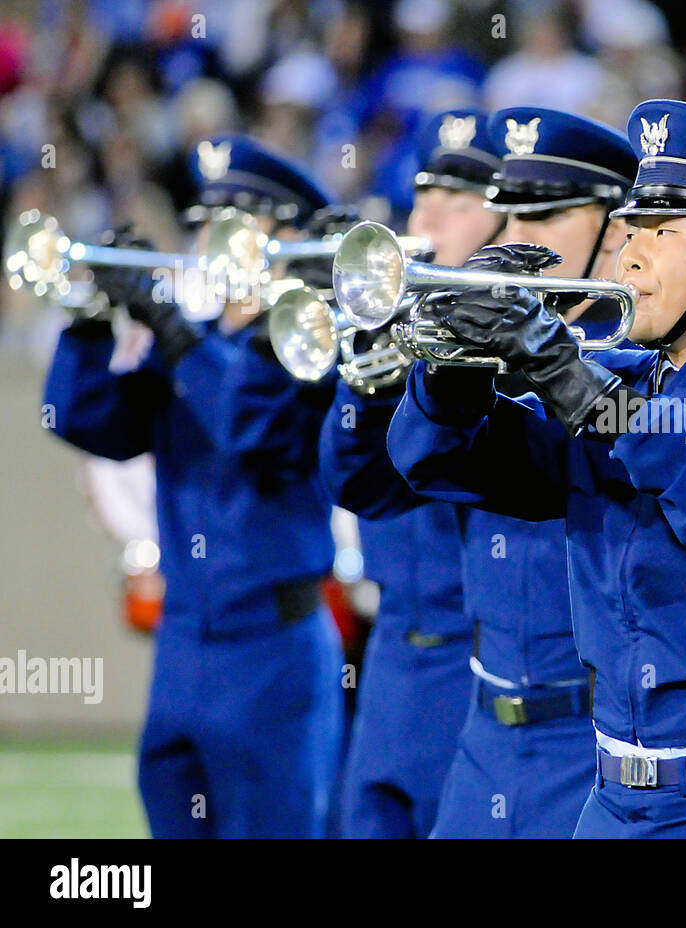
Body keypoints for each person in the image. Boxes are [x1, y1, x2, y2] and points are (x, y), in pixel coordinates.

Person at [387, 99, 686, 838]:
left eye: (662, 231)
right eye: (633, 228)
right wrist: (456, 368)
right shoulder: (614, 377)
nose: (630, 253)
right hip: (609, 798)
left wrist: (571, 379)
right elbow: (434, 460)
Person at [43, 135, 344, 838]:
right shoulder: (195, 343)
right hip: (183, 641)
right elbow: (90, 423)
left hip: (273, 645)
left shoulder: (302, 349)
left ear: (291, 235)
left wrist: (170, 326)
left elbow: (248, 421)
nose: (209, 240)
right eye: (205, 222)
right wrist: (89, 322)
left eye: (235, 223)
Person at [424, 106, 637, 839]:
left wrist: (558, 367)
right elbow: (378, 478)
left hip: (603, 734)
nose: (515, 241)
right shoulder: (487, 349)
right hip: (485, 727)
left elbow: (654, 462)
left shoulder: (656, 364)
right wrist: (406, 375)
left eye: (543, 217)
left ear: (618, 225)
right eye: (507, 218)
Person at [317, 107, 506, 839]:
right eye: (423, 196)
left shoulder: (517, 343)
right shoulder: (390, 325)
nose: (428, 214)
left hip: (480, 658)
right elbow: (353, 478)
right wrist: (364, 383)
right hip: (393, 647)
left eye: (459, 202)